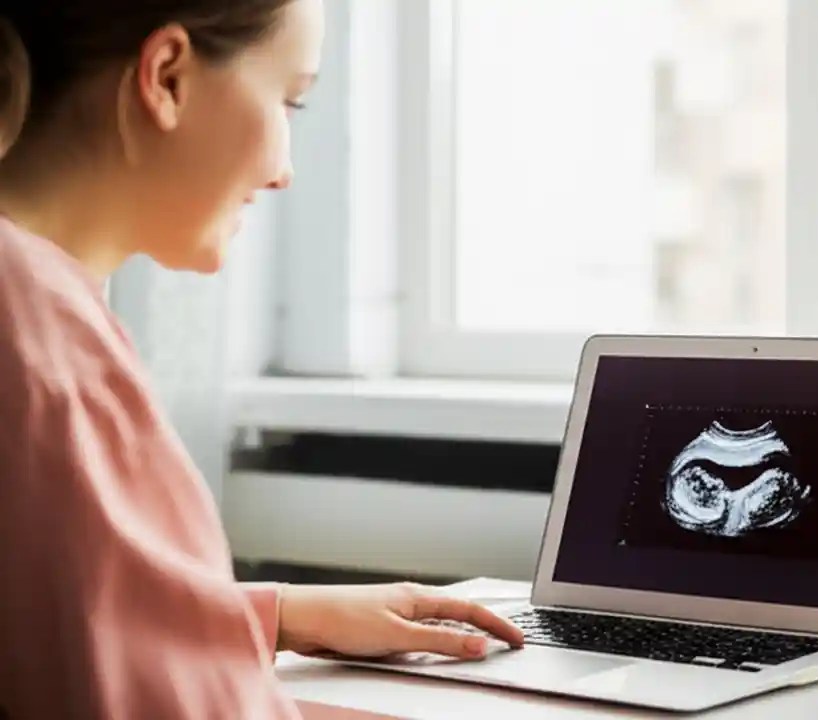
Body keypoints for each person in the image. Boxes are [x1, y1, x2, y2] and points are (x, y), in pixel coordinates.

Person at [0, 1, 523, 717]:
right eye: (289, 100)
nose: (284, 173)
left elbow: (41, 615)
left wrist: (275, 615)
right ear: (167, 77)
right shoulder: (41, 335)